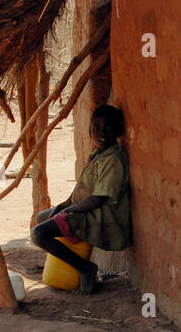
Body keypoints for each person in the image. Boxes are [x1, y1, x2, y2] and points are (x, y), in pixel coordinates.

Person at [31, 104, 131, 293]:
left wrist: (67, 211)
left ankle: (85, 268)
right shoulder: (98, 154)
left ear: (117, 131)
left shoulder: (115, 159)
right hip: (88, 210)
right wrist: (62, 206)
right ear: (89, 129)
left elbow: (97, 200)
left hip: (103, 218)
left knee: (39, 234)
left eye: (108, 128)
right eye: (97, 127)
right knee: (42, 218)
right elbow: (82, 192)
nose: (102, 133)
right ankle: (65, 262)